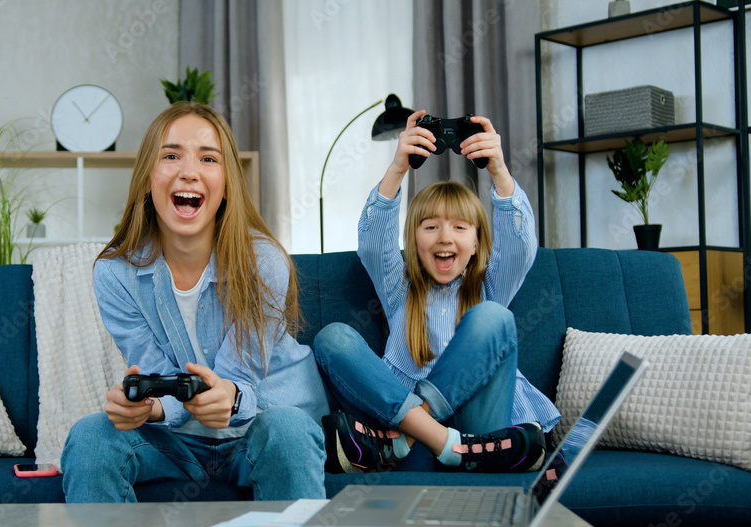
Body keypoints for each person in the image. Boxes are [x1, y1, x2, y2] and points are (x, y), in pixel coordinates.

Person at [61, 102, 329, 502]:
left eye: (208, 158)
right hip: (175, 441)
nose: (188, 171)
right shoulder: (115, 274)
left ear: (227, 184)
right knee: (90, 436)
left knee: (288, 430)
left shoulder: (265, 263)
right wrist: (146, 407)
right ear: (148, 177)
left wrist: (229, 397)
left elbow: (241, 380)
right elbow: (158, 376)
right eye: (171, 156)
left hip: (262, 422)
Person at [314, 110, 560, 474]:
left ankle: (410, 437)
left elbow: (521, 247)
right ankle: (444, 444)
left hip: (480, 432)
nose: (445, 237)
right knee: (331, 338)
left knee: (494, 316)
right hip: (419, 421)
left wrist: (499, 171)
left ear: (477, 244)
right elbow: (372, 242)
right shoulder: (401, 289)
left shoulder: (489, 287)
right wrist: (398, 167)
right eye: (431, 226)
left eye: (460, 227)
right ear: (414, 241)